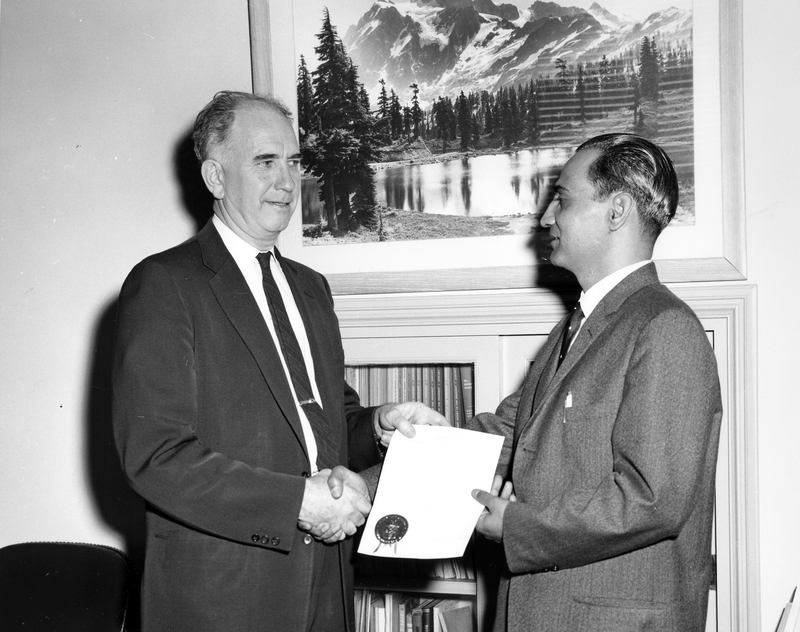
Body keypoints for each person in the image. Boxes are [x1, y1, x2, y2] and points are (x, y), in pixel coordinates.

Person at [112, 90, 446, 632]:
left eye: (293, 162)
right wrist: (297, 502)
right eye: (266, 162)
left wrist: (381, 426)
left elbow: (323, 424)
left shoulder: (311, 288)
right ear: (216, 178)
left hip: (327, 584)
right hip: (223, 598)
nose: (288, 182)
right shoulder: (165, 284)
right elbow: (155, 455)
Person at [469, 133, 722, 632]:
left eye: (562, 199)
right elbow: (505, 436)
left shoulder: (665, 328)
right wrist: (372, 474)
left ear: (617, 211)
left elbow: (651, 499)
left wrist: (516, 528)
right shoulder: (576, 327)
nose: (546, 219)